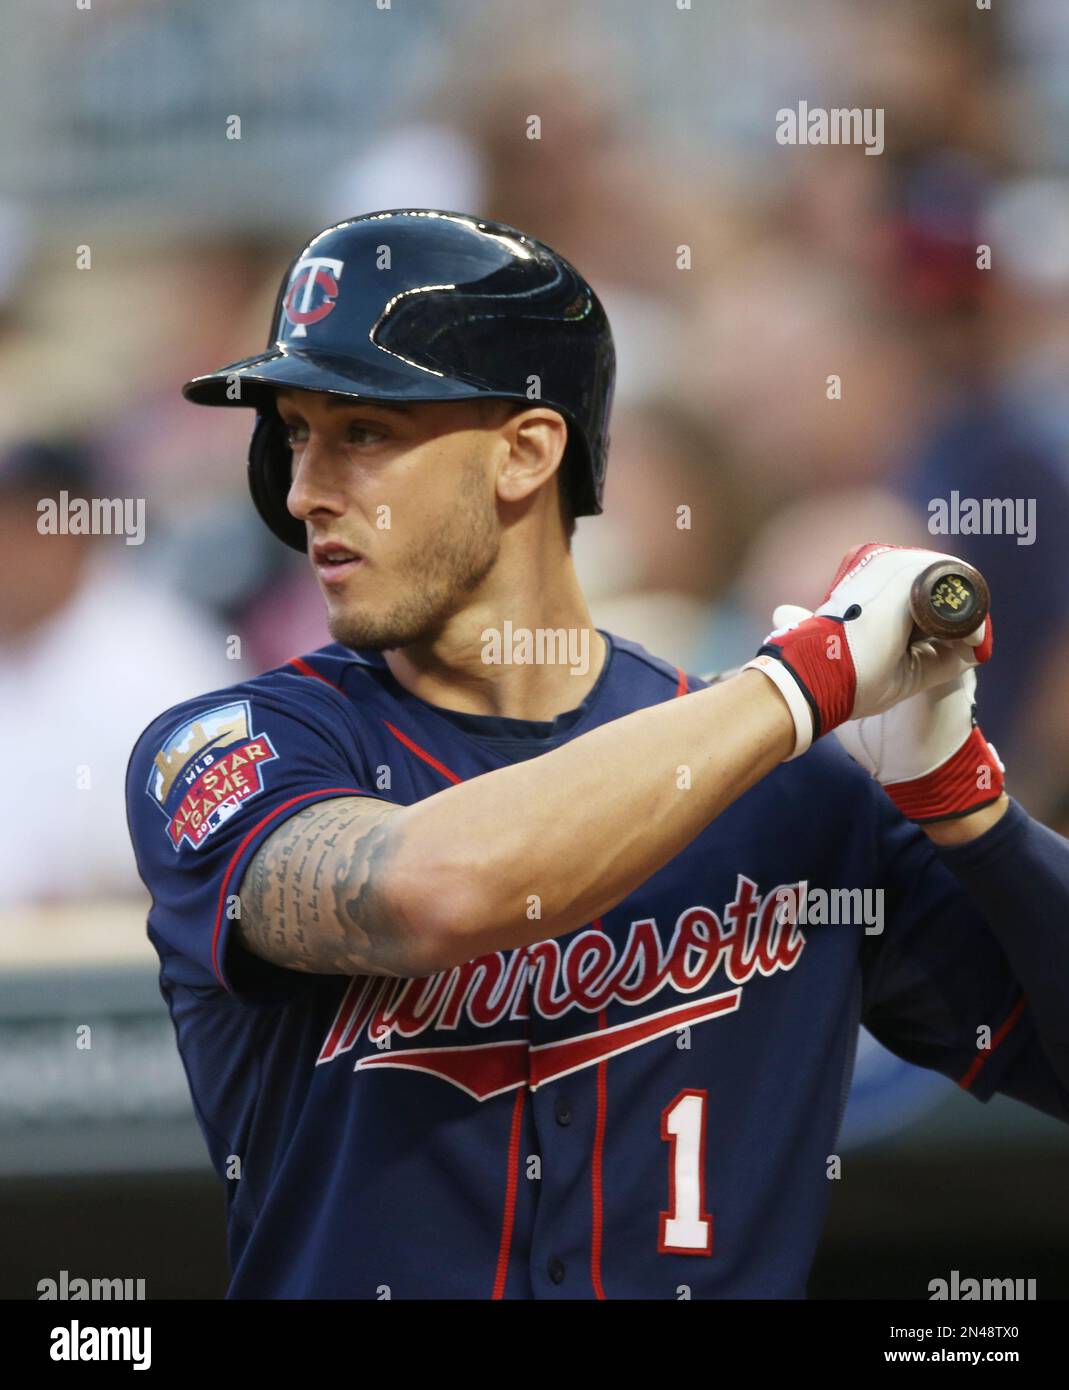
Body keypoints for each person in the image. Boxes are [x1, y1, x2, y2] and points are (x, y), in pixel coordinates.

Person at [126, 210, 1069, 1299]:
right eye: (294, 434)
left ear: (526, 451)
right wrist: (794, 687)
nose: (302, 492)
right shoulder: (226, 749)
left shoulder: (785, 779)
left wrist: (970, 811)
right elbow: (425, 893)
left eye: (363, 434)